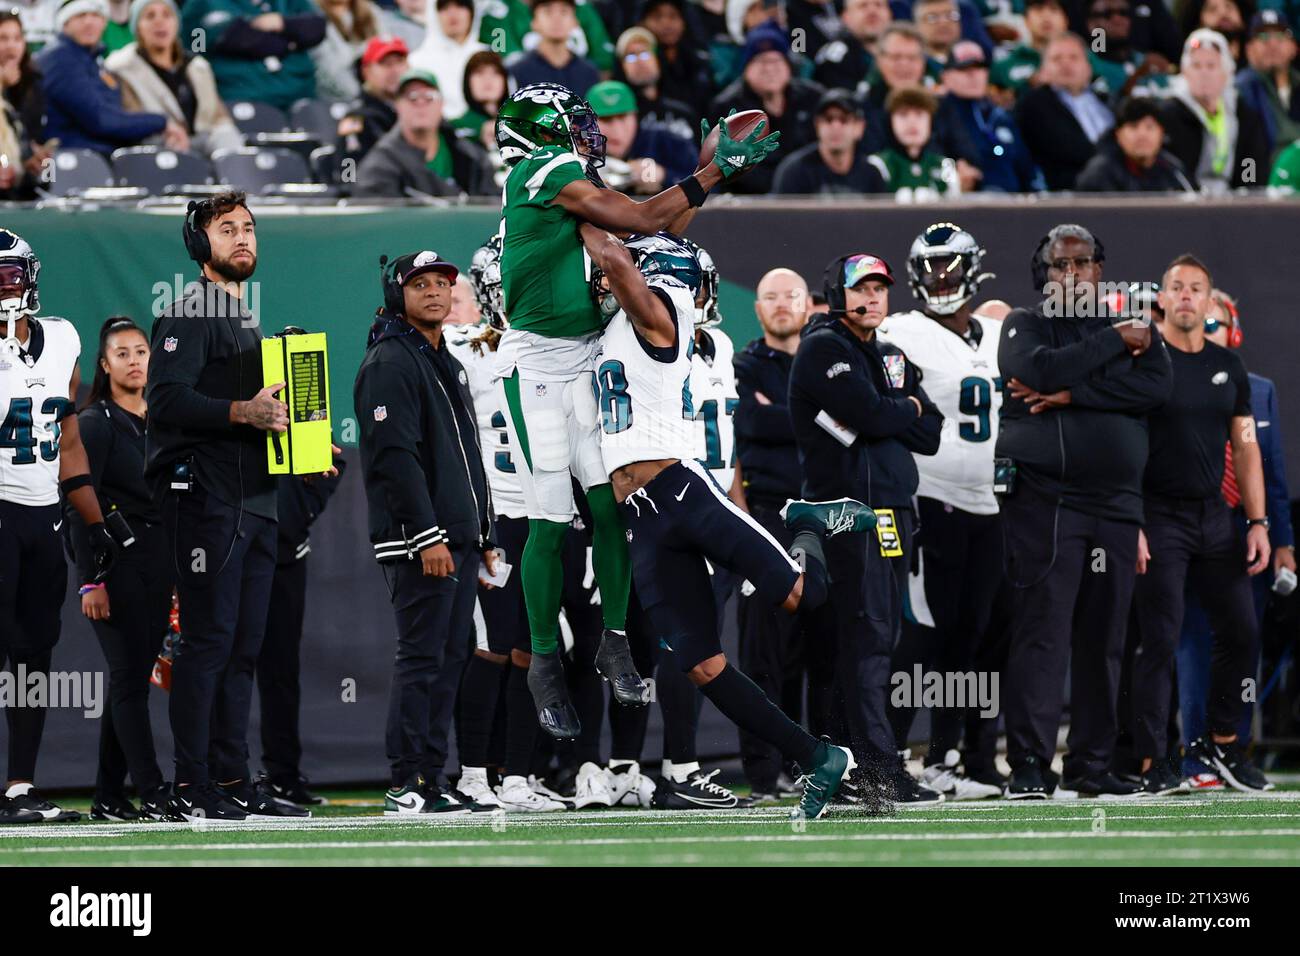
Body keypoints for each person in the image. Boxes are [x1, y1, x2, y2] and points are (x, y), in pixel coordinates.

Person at [489, 81, 778, 738]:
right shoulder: (545, 168)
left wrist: (712, 182)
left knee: (607, 508)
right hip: (534, 363)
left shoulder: (564, 186)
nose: (589, 133)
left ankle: (614, 642)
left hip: (585, 354)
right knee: (550, 523)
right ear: (546, 127)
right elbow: (646, 221)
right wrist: (711, 171)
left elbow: (652, 229)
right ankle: (542, 662)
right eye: (578, 121)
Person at [582, 224, 873, 821]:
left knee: (802, 594)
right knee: (700, 663)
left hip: (682, 489)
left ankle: (806, 521)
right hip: (640, 515)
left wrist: (564, 198)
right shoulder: (616, 326)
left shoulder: (666, 317)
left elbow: (610, 254)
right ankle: (818, 757)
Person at [145, 193, 335, 822]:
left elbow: (252, 409)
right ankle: (189, 783)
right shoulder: (189, 312)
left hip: (256, 499)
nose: (242, 238)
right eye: (226, 230)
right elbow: (166, 400)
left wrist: (303, 440)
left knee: (242, 650)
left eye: (248, 228)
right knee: (207, 643)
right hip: (208, 497)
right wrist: (242, 412)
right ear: (199, 244)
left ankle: (229, 779)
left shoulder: (242, 316)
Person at [996, 224, 1172, 799]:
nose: (1070, 275)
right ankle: (1028, 763)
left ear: (1100, 267)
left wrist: (1076, 394)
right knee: (1042, 633)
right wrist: (1116, 343)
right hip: (1047, 501)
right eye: (1058, 265)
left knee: (1105, 640)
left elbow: (1157, 387)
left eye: (1081, 263)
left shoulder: (1137, 330)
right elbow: (1037, 372)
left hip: (1117, 506)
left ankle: (1092, 764)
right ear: (1042, 271)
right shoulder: (1025, 324)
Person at [789, 251, 944, 804]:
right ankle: (879, 768)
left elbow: (933, 433)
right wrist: (899, 410)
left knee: (872, 637)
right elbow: (877, 416)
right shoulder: (822, 348)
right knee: (869, 637)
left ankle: (844, 763)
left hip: (892, 510)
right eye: (863, 287)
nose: (873, 296)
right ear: (837, 291)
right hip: (850, 513)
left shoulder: (889, 352)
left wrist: (888, 409)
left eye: (881, 288)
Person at [354, 249, 496, 815]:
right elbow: (395, 459)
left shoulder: (446, 360)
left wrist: (483, 531)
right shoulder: (390, 360)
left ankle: (433, 777)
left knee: (450, 655)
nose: (434, 293)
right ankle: (406, 781)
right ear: (398, 295)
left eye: (442, 284)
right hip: (423, 541)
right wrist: (427, 536)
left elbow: (468, 456)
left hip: (457, 536)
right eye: (420, 285)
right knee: (422, 657)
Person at [1131, 255, 1274, 794]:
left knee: (1242, 630)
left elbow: (1246, 447)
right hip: (1156, 514)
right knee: (1160, 640)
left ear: (1211, 303)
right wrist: (1131, 521)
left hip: (1215, 516)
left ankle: (1222, 743)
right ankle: (1153, 762)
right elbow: (1125, 447)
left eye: (1197, 289)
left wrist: (1257, 521)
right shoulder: (1142, 361)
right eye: (1177, 288)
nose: (1186, 296)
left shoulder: (1229, 367)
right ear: (1162, 300)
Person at [875, 223, 1005, 801]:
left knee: (976, 636)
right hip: (930, 499)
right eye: (931, 268)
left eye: (950, 267)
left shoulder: (1002, 333)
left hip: (993, 504)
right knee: (923, 632)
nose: (941, 278)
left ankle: (956, 757)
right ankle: (890, 754)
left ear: (972, 271)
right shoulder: (902, 332)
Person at [443, 236, 570, 813]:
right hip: (496, 521)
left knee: (532, 648)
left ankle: (515, 777)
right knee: (493, 647)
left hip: (547, 517)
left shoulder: (560, 344)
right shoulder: (463, 348)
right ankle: (473, 773)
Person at [0, 230, 116, 826]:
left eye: (8, 276)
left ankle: (20, 786)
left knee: (32, 654)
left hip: (43, 513)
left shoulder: (63, 339)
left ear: (30, 278)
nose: (3, 289)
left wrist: (99, 522)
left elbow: (67, 438)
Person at [1176, 288, 1295, 784]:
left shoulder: (1260, 389)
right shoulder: (1173, 380)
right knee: (1189, 644)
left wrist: (1281, 540)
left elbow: (1272, 473)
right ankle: (1192, 751)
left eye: (1213, 324)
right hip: (1189, 528)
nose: (1205, 333)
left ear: (1233, 331)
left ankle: (1234, 745)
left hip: (1244, 533)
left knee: (1244, 641)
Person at [64, 318, 177, 822]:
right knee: (129, 678)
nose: (135, 361)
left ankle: (109, 795)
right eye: (123, 354)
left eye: (141, 351)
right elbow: (77, 506)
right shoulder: (96, 423)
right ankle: (151, 789)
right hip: (116, 565)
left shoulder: (163, 421)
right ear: (105, 365)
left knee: (129, 681)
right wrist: (91, 580)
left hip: (160, 562)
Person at [733, 267, 823, 800]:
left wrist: (784, 416)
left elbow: (855, 420)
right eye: (770, 296)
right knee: (763, 649)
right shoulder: (742, 365)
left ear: (808, 303)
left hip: (829, 517)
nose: (782, 304)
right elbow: (747, 425)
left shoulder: (827, 358)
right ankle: (763, 772)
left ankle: (815, 760)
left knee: (820, 651)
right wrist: (812, 417)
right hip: (767, 514)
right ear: (759, 308)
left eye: (791, 294)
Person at [255, 459, 345, 809]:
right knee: (222, 665)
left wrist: (301, 510)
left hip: (285, 555)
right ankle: (215, 776)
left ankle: (283, 776)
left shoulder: (297, 406)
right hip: (233, 546)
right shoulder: (228, 406)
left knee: (281, 671)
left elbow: (335, 459)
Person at [37, 0, 184, 156]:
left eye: (95, 15)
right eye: (80, 16)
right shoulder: (60, 58)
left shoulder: (93, 61)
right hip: (74, 159)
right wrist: (161, 122)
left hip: (96, 153)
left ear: (104, 23)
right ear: (65, 24)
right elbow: (101, 120)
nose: (89, 22)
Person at [105, 0, 242, 158]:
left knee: (226, 135)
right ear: (137, 27)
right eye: (150, 16)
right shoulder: (120, 68)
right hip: (157, 145)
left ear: (177, 23)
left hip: (204, 143)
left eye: (167, 15)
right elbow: (130, 118)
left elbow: (219, 116)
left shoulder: (198, 66)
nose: (159, 22)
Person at [708, 22, 824, 194]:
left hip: (809, 192)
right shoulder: (726, 108)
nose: (769, 69)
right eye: (761, 62)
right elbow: (727, 164)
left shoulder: (812, 97)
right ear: (746, 69)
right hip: (751, 199)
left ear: (788, 66)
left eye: (776, 61)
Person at [1161, 28, 1272, 194]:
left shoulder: (1243, 114)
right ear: (1185, 73)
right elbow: (1169, 170)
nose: (1204, 73)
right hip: (1185, 204)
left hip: (1234, 205)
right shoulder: (1168, 114)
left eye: (1211, 66)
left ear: (1226, 72)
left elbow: (1251, 163)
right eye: (1196, 66)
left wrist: (1248, 192)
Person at [353, 69, 496, 197]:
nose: (421, 104)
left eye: (429, 97)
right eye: (412, 98)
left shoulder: (471, 157)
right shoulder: (380, 168)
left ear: (441, 104)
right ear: (397, 106)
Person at [936, 41, 1043, 193]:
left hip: (1015, 204)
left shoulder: (1000, 115)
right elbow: (934, 157)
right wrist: (952, 179)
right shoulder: (938, 112)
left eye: (979, 68)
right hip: (967, 202)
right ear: (945, 77)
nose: (973, 75)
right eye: (964, 69)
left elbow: (1025, 165)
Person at [181, 0, 326, 111]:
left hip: (301, 95)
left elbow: (316, 28)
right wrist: (289, 42)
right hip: (240, 100)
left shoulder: (288, 2)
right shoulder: (202, 4)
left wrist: (282, 23)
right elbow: (230, 37)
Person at [1015, 32, 1114, 189]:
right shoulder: (1034, 104)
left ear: (1088, 67)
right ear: (1043, 69)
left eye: (1074, 57)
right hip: (1072, 188)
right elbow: (1064, 149)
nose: (1065, 64)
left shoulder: (1107, 100)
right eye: (1056, 59)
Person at [588, 79, 698, 193]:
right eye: (606, 120)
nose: (617, 129)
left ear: (635, 117)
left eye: (623, 117)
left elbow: (707, 186)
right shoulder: (580, 153)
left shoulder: (669, 142)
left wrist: (664, 177)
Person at [772, 88, 887, 194]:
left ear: (859, 127)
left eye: (844, 119)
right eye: (828, 119)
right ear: (817, 125)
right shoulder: (794, 172)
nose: (835, 127)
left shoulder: (871, 174)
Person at [1075, 95, 1197, 191]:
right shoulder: (1099, 176)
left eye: (1150, 127)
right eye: (1133, 127)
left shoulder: (1175, 171)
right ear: (1118, 135)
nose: (1142, 135)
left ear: (1161, 133)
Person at [867, 85, 961, 199]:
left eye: (919, 114)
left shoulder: (945, 166)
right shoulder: (877, 165)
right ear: (890, 122)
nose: (912, 122)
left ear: (931, 121)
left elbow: (954, 213)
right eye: (903, 114)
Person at [611, 25, 698, 141]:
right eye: (630, 56)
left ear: (658, 59)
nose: (639, 61)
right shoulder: (619, 119)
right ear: (621, 67)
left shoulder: (683, 111)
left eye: (645, 53)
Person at [637, 0, 715, 124]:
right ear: (642, 22)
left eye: (673, 16)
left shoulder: (700, 64)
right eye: (657, 17)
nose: (666, 24)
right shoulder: (639, 64)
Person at [337, 36, 408, 167]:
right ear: (366, 72)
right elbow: (348, 172)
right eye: (385, 63)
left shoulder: (418, 111)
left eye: (399, 62)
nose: (394, 70)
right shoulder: (355, 118)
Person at [1237, 10, 1300, 157]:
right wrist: (1251, 179)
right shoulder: (1241, 90)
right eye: (1263, 36)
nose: (1272, 44)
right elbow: (1246, 157)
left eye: (1279, 36)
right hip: (1264, 175)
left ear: (1294, 47)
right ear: (1249, 49)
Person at [407, 0, 484, 119]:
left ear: (472, 12)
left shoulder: (488, 56)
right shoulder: (416, 63)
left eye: (460, 5)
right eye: (444, 8)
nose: (453, 14)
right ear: (433, 14)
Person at [508, 0, 600, 97]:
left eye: (564, 11)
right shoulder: (517, 72)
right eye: (548, 12)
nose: (557, 18)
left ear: (575, 22)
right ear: (534, 22)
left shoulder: (589, 72)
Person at [814, 0, 892, 92]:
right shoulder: (836, 57)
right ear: (845, 17)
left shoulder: (905, 53)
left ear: (890, 15)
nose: (872, 11)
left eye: (878, 5)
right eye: (863, 5)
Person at [310, 0, 380, 101]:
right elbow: (330, 71)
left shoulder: (371, 11)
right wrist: (362, 96)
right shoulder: (313, 16)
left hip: (377, 90)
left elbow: (386, 49)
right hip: (336, 99)